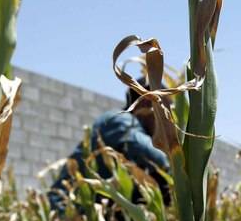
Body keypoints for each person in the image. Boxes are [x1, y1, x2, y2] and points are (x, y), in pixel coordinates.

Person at [47, 82, 170, 213]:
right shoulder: (121, 120)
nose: (168, 122)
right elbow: (158, 158)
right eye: (167, 111)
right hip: (67, 210)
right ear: (147, 101)